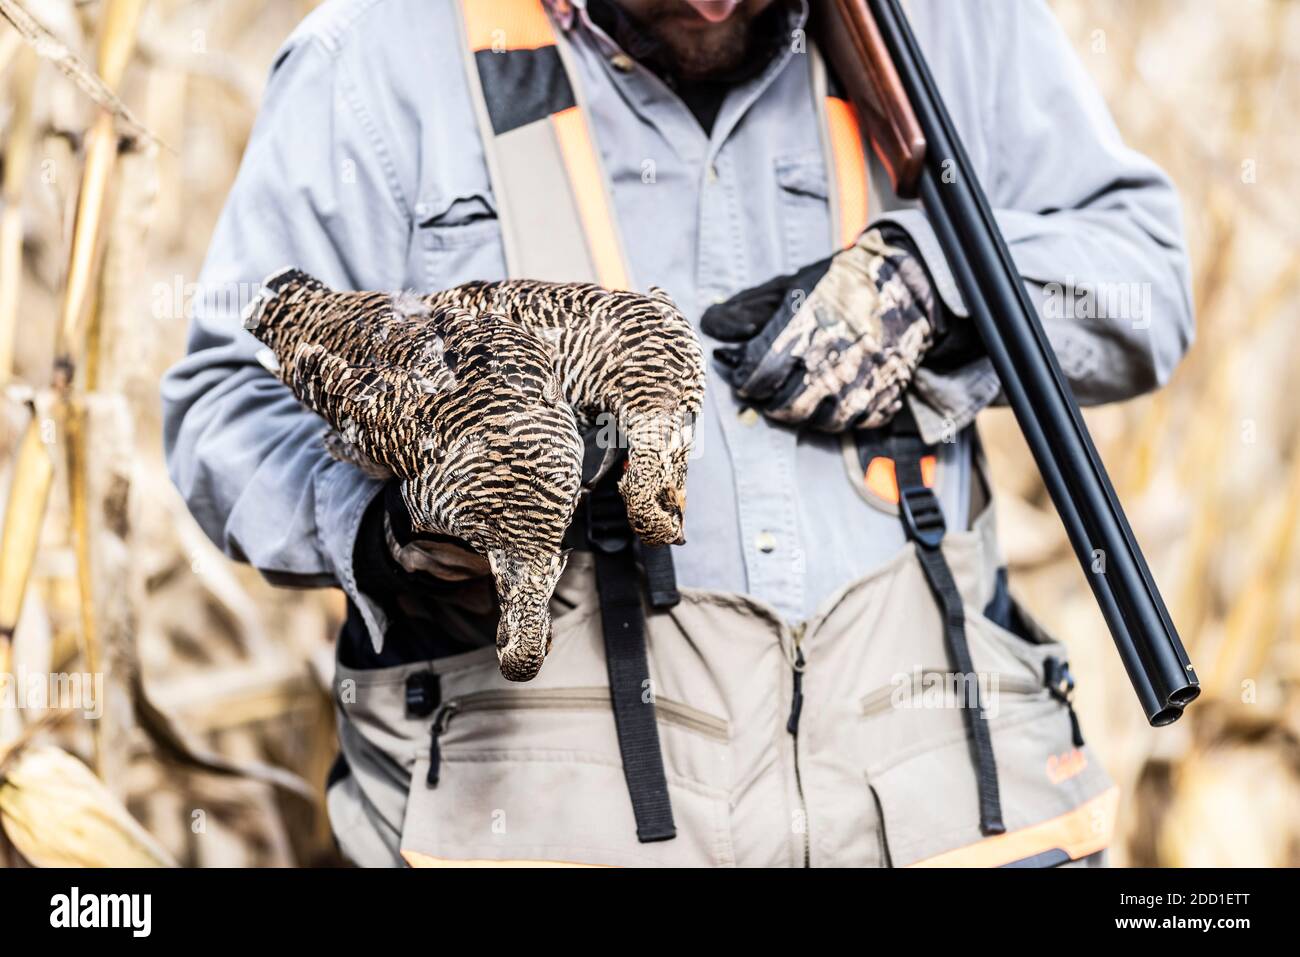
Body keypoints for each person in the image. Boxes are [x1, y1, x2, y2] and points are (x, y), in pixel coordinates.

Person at [162, 0, 1193, 867]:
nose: (707, 7)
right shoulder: (375, 60)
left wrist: (939, 287)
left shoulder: (946, 21)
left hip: (953, 824)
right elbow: (224, 404)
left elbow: (1142, 276)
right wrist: (391, 530)